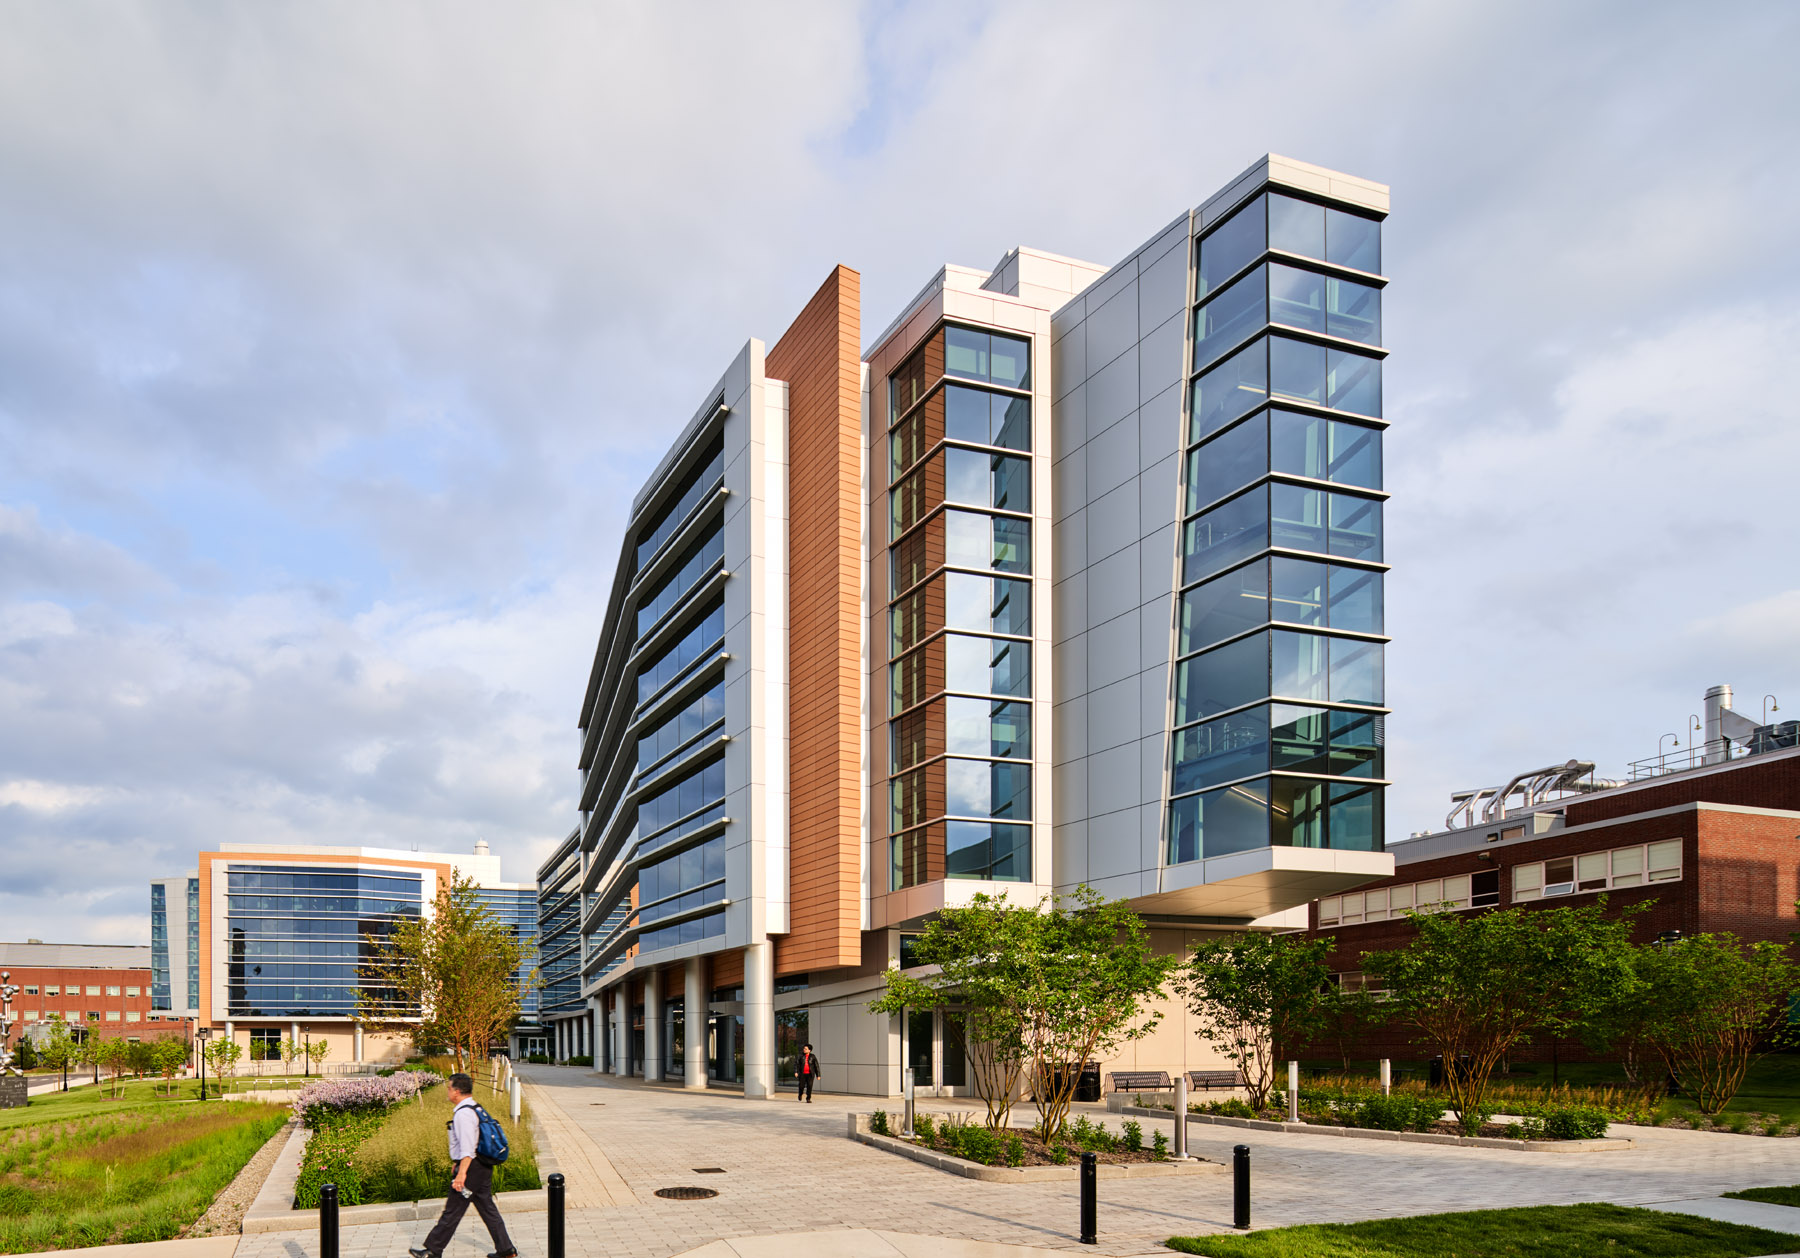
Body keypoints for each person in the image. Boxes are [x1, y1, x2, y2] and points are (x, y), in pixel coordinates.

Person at [409, 1073, 517, 1258]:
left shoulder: (463, 1113)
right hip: (481, 1167)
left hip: (472, 1169)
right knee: (487, 1208)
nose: (448, 1091)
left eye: (449, 1088)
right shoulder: (475, 1107)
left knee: (453, 1209)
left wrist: (461, 1174)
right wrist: (456, 1163)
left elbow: (468, 1148)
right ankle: (506, 1250)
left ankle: (433, 1250)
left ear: (457, 1091)